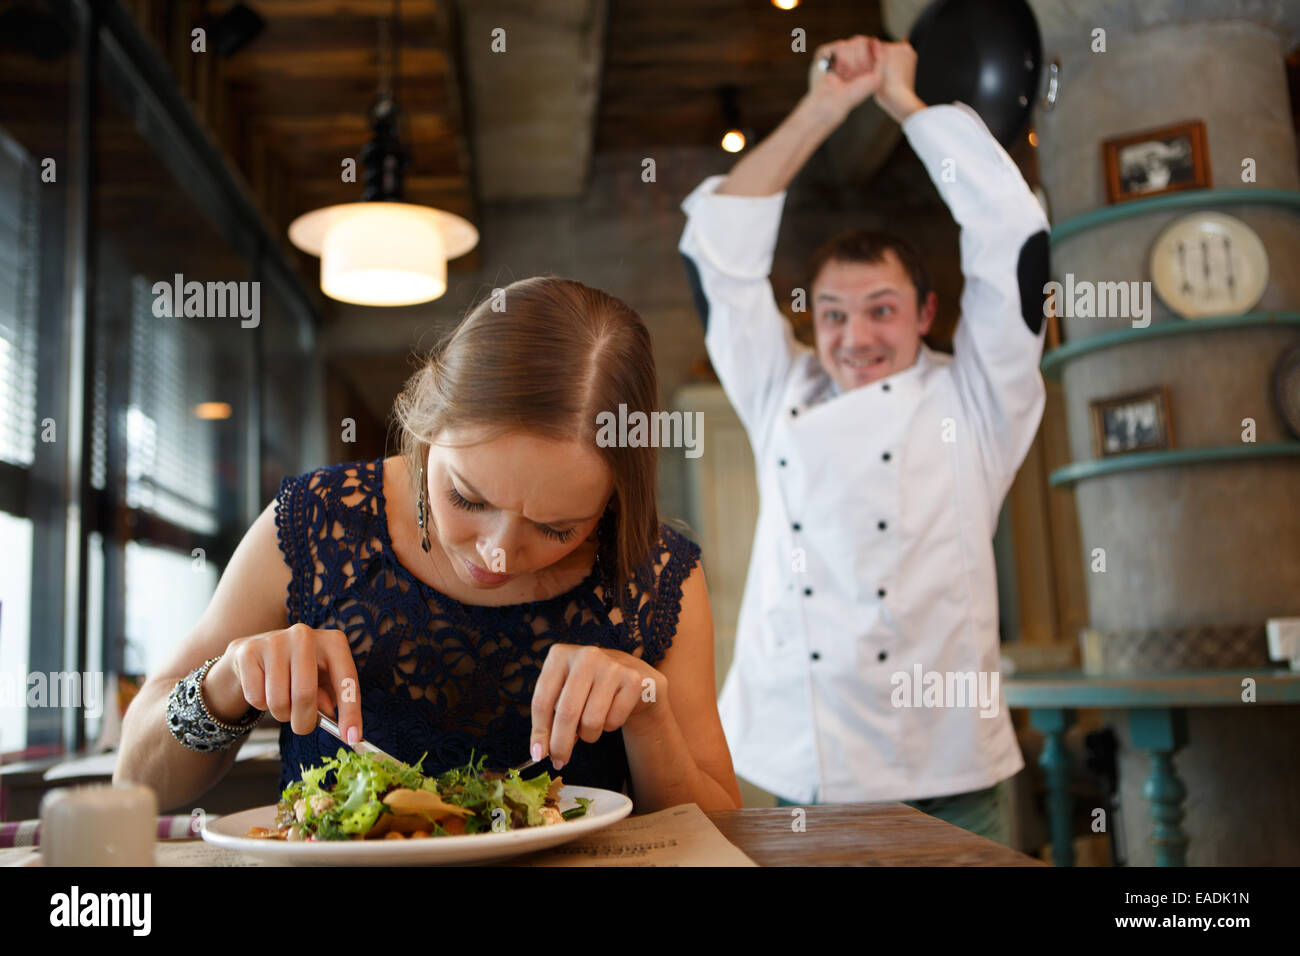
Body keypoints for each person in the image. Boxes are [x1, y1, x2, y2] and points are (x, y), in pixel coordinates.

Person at [115, 276, 742, 815]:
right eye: (468, 498)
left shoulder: (657, 574)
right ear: (425, 422)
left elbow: (722, 827)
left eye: (557, 529)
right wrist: (228, 684)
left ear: (613, 501)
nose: (495, 552)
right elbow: (136, 777)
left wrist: (647, 709)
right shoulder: (318, 521)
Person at [677, 35, 1049, 845]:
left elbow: (1013, 234)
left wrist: (905, 106)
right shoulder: (783, 390)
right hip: (787, 756)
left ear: (924, 313)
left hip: (948, 768)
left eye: (882, 309)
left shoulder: (981, 397)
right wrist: (824, 105)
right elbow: (720, 255)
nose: (854, 337)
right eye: (834, 315)